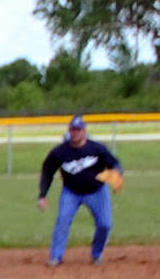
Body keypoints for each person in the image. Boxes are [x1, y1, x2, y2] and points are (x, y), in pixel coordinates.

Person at [38, 114, 123, 266]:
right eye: (73, 130)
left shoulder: (97, 148)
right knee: (63, 221)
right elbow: (47, 172)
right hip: (71, 192)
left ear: (84, 131)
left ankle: (97, 254)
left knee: (105, 225)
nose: (75, 133)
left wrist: (117, 173)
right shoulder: (59, 152)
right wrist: (43, 195)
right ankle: (56, 257)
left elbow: (115, 163)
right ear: (69, 131)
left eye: (78, 130)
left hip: (97, 191)